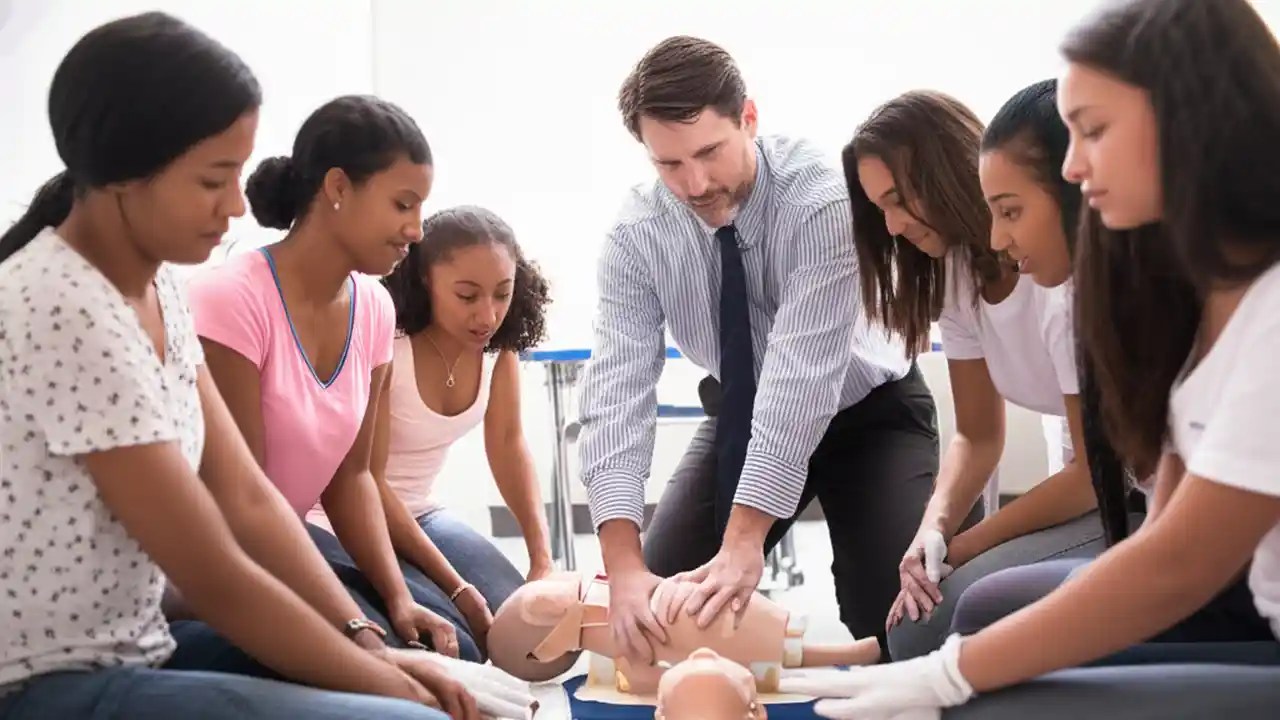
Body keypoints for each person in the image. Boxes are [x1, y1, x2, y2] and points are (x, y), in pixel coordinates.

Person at [779, 1, 1280, 716]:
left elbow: (1176, 559)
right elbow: (1166, 527)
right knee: (977, 619)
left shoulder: (1262, 307)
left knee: (982, 669)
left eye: (1094, 132)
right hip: (1236, 594)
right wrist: (938, 533)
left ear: (1190, 120)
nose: (1076, 166)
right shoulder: (1203, 294)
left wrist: (953, 672)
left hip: (1239, 603)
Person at [0, 12, 506, 720]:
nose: (238, 204)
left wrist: (366, 638)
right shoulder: (65, 307)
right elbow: (213, 568)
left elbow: (247, 495)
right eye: (214, 179)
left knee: (461, 681)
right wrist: (386, 678)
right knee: (412, 711)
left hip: (140, 646)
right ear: (124, 174)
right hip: (44, 681)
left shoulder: (158, 295)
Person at [578, 34, 939, 663]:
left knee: (896, 618)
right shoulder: (636, 238)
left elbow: (799, 382)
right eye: (669, 165)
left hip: (870, 414)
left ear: (749, 117)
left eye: (709, 153)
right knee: (663, 603)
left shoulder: (822, 200)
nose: (693, 183)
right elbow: (615, 395)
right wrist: (622, 567)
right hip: (741, 413)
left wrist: (745, 541)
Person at [181, 95, 486, 664]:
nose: (417, 231)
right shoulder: (231, 299)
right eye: (403, 204)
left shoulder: (374, 306)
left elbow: (354, 478)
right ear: (339, 188)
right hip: (220, 558)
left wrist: (398, 601)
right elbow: (241, 502)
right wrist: (357, 628)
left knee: (452, 646)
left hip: (287, 541)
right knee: (404, 669)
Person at [846, 85, 1101, 662]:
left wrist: (962, 546)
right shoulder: (959, 276)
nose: (890, 227)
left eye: (896, 200)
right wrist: (930, 532)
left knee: (932, 620)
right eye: (877, 207)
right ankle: (858, 666)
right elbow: (978, 435)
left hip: (1117, 497)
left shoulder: (1061, 280)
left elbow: (1094, 474)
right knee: (918, 618)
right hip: (1086, 489)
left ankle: (863, 667)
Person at [310, 204, 554, 652]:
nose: (488, 315)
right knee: (453, 638)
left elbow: (508, 444)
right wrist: (456, 585)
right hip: (341, 516)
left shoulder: (497, 351)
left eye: (502, 293)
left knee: (523, 630)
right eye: (467, 295)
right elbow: (367, 479)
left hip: (420, 513)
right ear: (426, 280)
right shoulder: (389, 341)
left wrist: (542, 559)